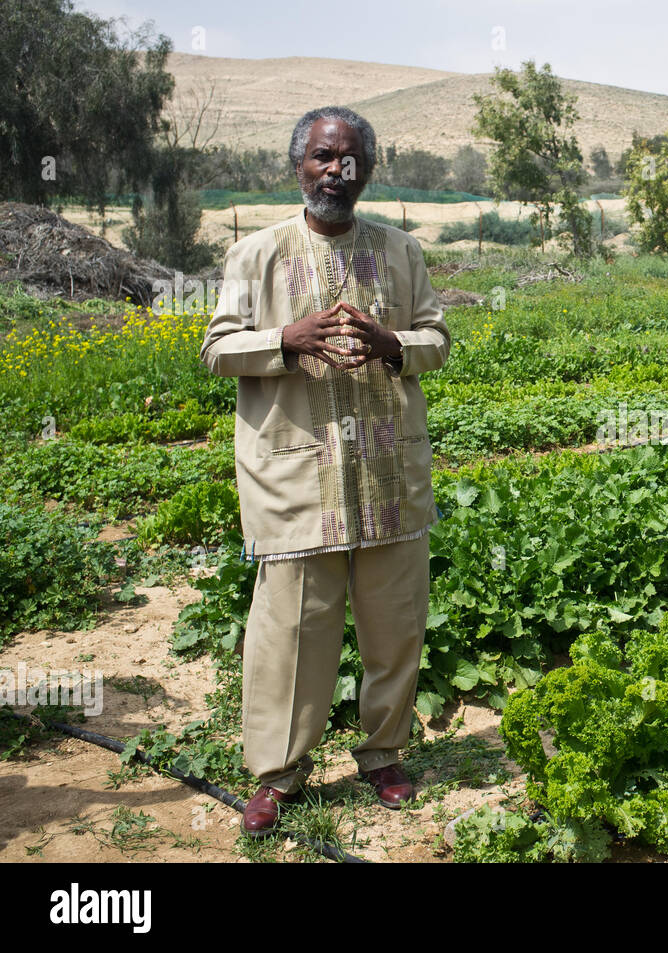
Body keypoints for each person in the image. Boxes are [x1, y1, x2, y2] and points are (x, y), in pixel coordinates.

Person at [200, 105, 451, 836]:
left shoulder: (402, 252)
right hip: (296, 477)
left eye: (348, 159)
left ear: (366, 170)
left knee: (394, 626)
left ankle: (383, 753)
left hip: (385, 474)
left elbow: (437, 339)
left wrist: (392, 340)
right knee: (291, 632)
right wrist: (286, 337)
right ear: (297, 165)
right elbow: (218, 349)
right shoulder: (256, 256)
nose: (334, 171)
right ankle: (277, 773)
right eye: (320, 157)